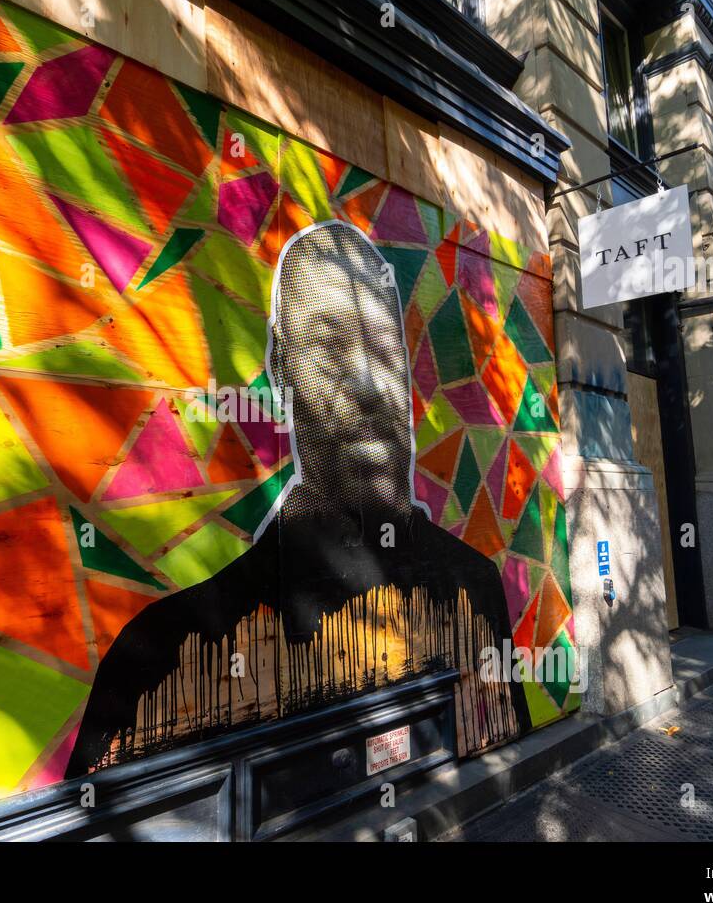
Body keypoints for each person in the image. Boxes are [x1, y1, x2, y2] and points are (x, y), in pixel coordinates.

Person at [66, 220, 529, 777]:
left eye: (382, 349)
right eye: (332, 350)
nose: (365, 383)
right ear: (282, 368)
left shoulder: (474, 589)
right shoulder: (162, 655)